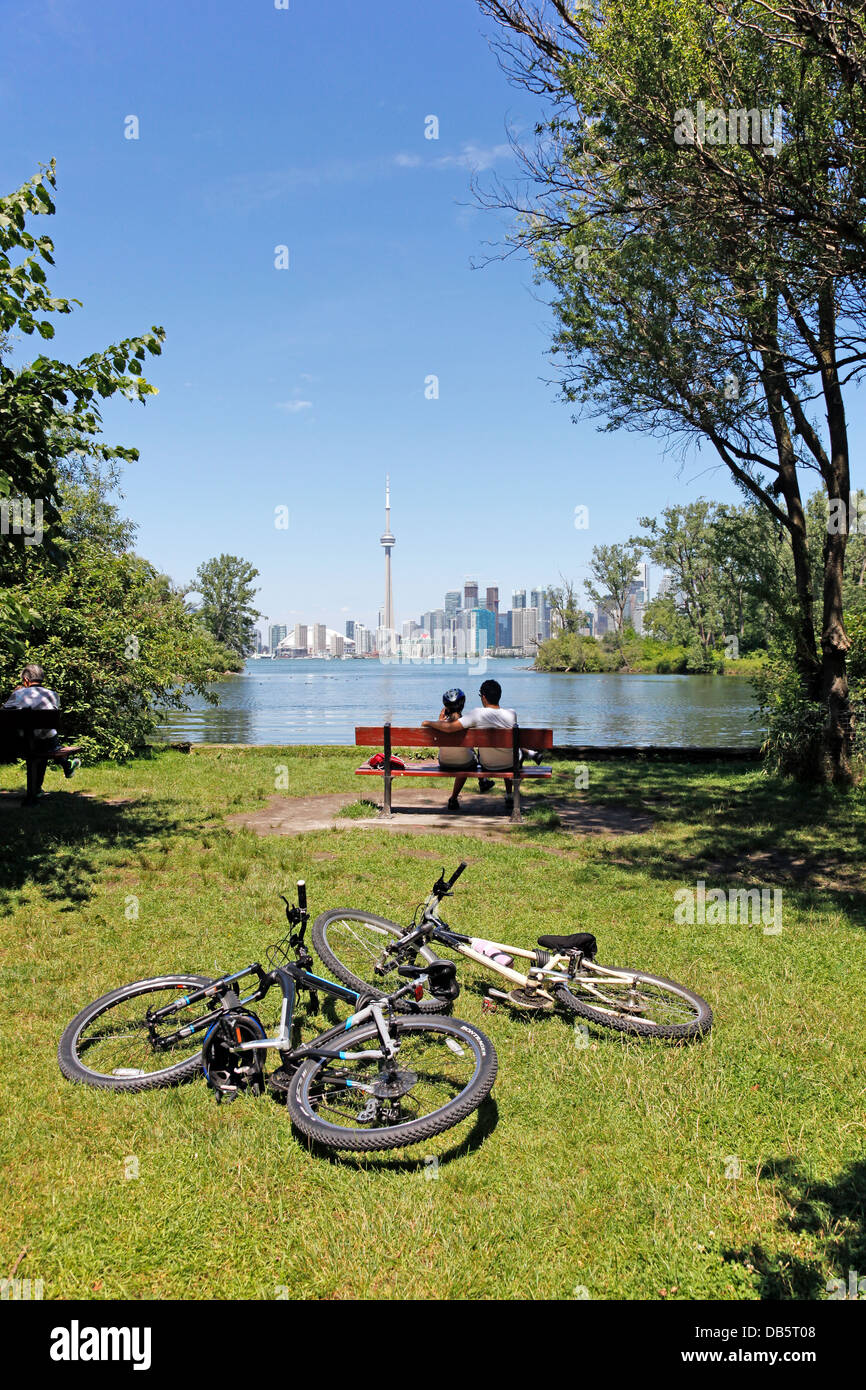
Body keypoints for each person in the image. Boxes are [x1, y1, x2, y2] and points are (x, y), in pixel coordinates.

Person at [423, 678, 517, 812]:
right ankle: (509, 796)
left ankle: (454, 797)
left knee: (475, 757)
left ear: (483, 697)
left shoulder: (477, 713)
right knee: (506, 751)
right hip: (510, 764)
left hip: (488, 765)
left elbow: (450, 728)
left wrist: (429, 722)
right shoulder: (512, 714)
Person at [3, 664, 80, 799]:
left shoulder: (18, 694)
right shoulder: (53, 695)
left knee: (35, 741)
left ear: (26, 680)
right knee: (46, 736)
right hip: (47, 742)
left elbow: (4, 712)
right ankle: (39, 786)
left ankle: (37, 789)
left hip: (23, 743)